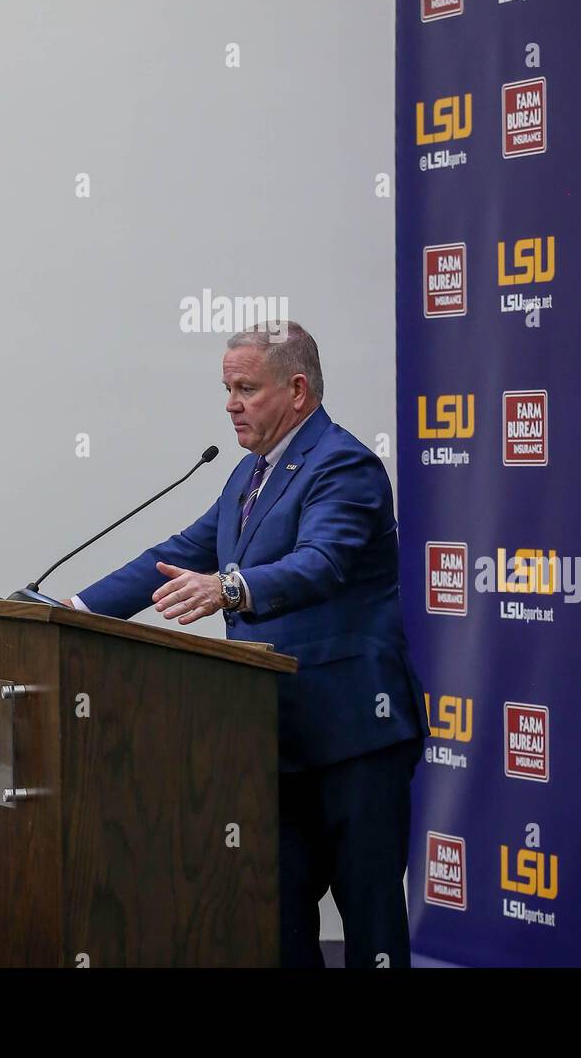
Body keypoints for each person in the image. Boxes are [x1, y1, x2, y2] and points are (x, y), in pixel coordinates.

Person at [69, 320, 428, 968]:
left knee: (370, 924)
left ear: (296, 390)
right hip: (279, 737)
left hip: (355, 736)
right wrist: (74, 609)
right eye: (227, 388)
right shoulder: (249, 474)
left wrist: (229, 589)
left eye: (245, 388)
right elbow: (174, 556)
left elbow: (321, 563)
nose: (230, 403)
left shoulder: (343, 464)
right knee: (275, 920)